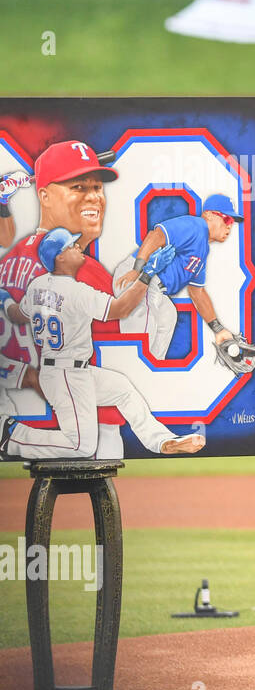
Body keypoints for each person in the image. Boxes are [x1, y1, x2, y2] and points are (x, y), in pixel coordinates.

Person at [0, 228, 203, 459]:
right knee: (82, 446)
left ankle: (161, 440)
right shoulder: (75, 291)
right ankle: (12, 436)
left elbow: (18, 314)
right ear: (60, 257)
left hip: (68, 371)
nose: (78, 247)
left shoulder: (37, 285)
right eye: (71, 246)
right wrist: (147, 274)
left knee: (123, 389)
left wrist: (5, 299)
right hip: (66, 375)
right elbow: (121, 309)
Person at [0, 141, 127, 456]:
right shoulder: (80, 270)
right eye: (79, 187)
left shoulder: (12, 257)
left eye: (97, 187)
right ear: (44, 195)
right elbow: (129, 315)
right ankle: (12, 438)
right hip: (84, 416)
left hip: (32, 401)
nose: (94, 197)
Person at [112, 194, 244, 359]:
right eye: (227, 219)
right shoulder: (195, 226)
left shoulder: (202, 247)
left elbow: (197, 293)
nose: (230, 226)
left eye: (232, 222)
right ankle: (137, 367)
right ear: (208, 214)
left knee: (168, 315)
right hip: (140, 276)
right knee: (143, 333)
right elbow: (157, 234)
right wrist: (136, 269)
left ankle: (150, 369)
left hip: (153, 286)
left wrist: (218, 329)